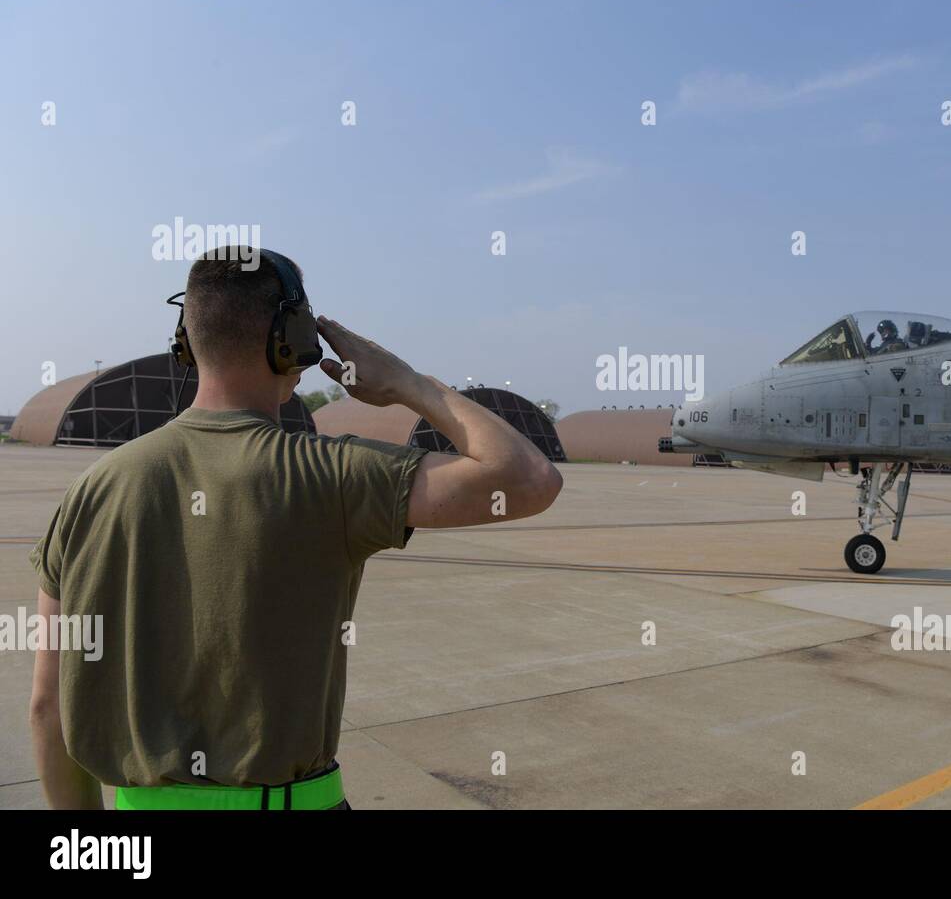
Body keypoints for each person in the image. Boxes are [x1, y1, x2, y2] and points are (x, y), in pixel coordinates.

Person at [28, 247, 562, 810]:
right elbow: (529, 479)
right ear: (293, 340)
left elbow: (47, 706)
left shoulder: (90, 492)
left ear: (185, 339)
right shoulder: (329, 474)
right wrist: (410, 384)